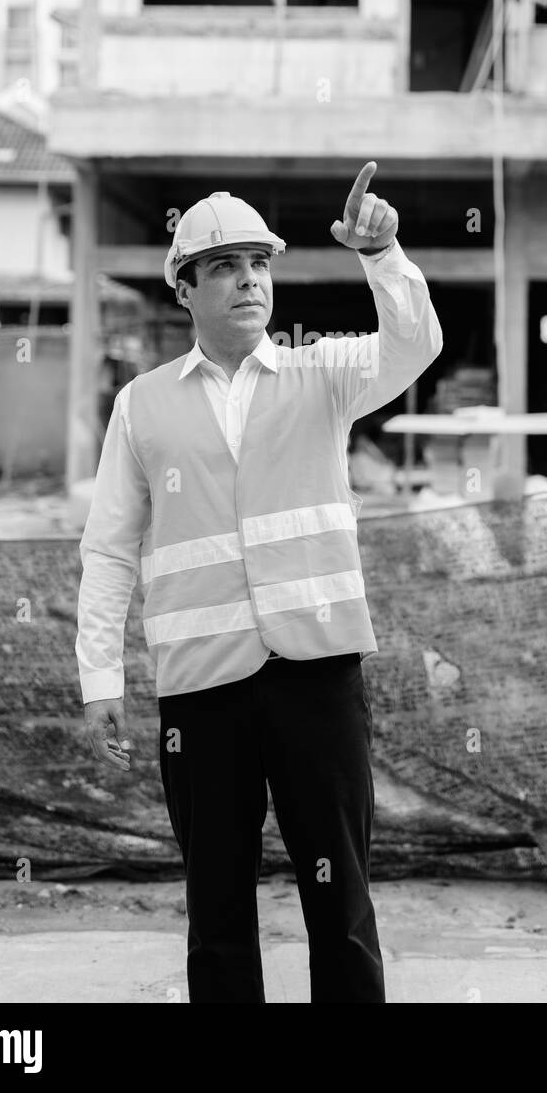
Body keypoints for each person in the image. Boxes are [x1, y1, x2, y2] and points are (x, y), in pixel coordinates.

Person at [76, 162, 443, 1003]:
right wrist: (100, 677)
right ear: (185, 289)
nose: (248, 280)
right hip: (203, 689)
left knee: (339, 899)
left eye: (259, 264)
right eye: (224, 266)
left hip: (317, 676)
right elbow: (109, 549)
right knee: (216, 911)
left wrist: (382, 254)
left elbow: (413, 344)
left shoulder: (324, 376)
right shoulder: (141, 405)